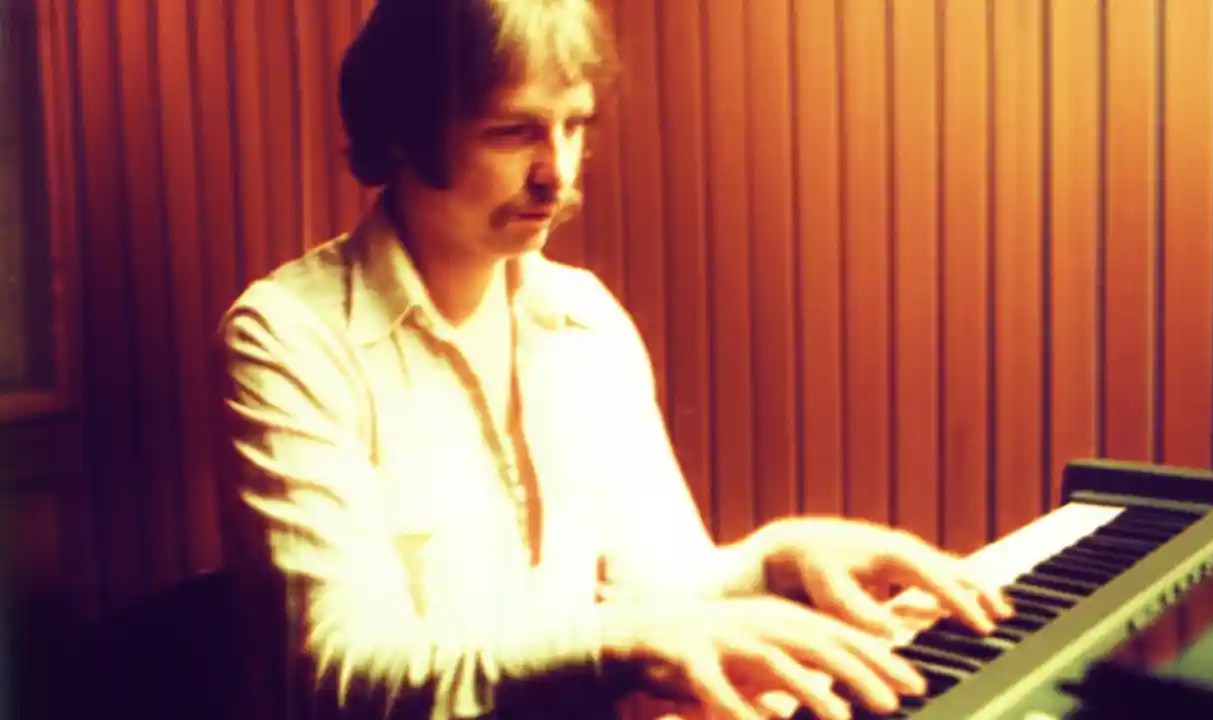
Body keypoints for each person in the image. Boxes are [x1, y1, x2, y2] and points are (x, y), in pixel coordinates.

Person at [215, 1, 1012, 718]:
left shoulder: (584, 318)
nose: (555, 175)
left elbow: (661, 592)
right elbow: (343, 675)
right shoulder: (288, 339)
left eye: (575, 125)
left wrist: (782, 565)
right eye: (513, 130)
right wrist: (614, 648)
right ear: (402, 129)